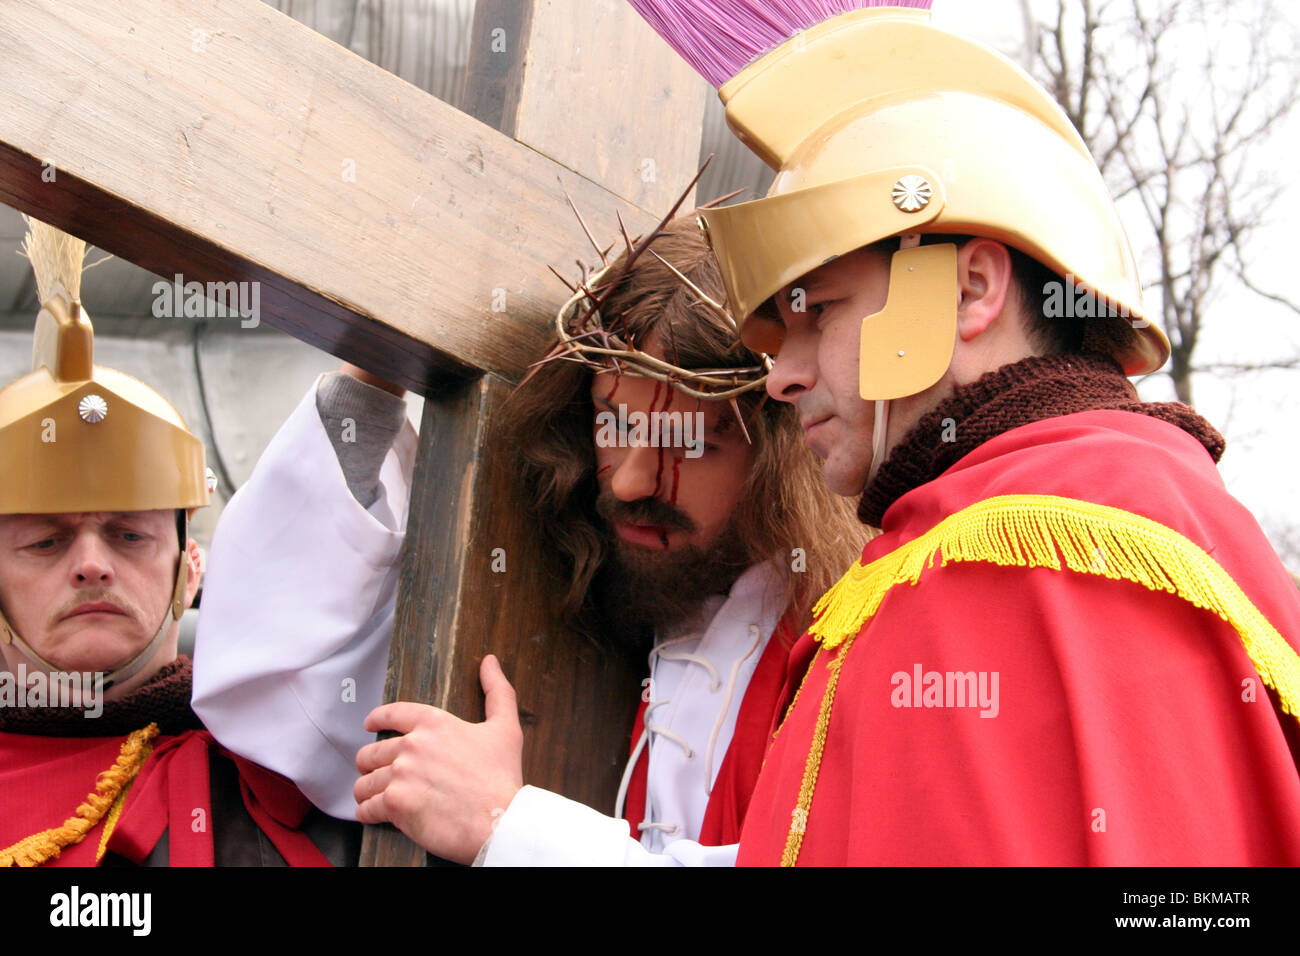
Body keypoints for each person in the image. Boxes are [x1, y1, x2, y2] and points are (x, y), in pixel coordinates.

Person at [631, 3, 1300, 864]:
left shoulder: (1004, 554)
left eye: (818, 312)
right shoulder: (1144, 515)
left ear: (968, 290)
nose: (780, 377)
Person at [192, 213, 866, 865]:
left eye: (691, 445)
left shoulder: (853, 645)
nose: (632, 480)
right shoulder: (612, 578)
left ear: (787, 456)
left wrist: (507, 827)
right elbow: (291, 681)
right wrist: (372, 382)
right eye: (613, 423)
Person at [0, 219, 355, 867]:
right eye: (46, 542)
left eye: (129, 535)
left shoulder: (299, 774)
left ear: (190, 572)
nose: (91, 566)